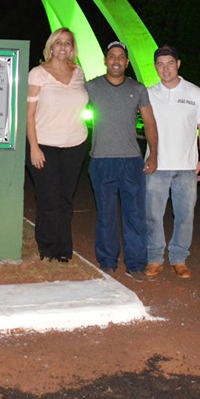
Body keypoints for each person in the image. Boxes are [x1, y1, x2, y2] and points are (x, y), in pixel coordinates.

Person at [85, 41, 159, 282]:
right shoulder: (91, 87)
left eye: (121, 57)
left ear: (127, 63)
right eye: (111, 56)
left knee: (134, 215)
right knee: (105, 214)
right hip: (101, 160)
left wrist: (153, 154)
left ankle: (136, 264)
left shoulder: (137, 89)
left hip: (131, 161)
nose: (116, 60)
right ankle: (107, 261)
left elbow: (149, 123)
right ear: (105, 60)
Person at [143, 45, 200, 279]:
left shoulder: (195, 93)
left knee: (185, 215)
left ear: (178, 64)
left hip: (186, 167)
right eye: (160, 64)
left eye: (170, 63)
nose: (165, 68)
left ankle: (179, 258)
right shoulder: (149, 94)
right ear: (155, 67)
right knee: (153, 214)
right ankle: (154, 258)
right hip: (156, 166)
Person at [26, 28, 89, 262]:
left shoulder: (78, 72)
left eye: (68, 43)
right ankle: (47, 247)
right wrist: (33, 146)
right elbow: (29, 114)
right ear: (51, 46)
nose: (63, 47)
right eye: (58, 42)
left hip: (75, 144)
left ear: (72, 48)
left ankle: (64, 249)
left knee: (65, 199)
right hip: (44, 145)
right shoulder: (38, 74)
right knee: (48, 198)